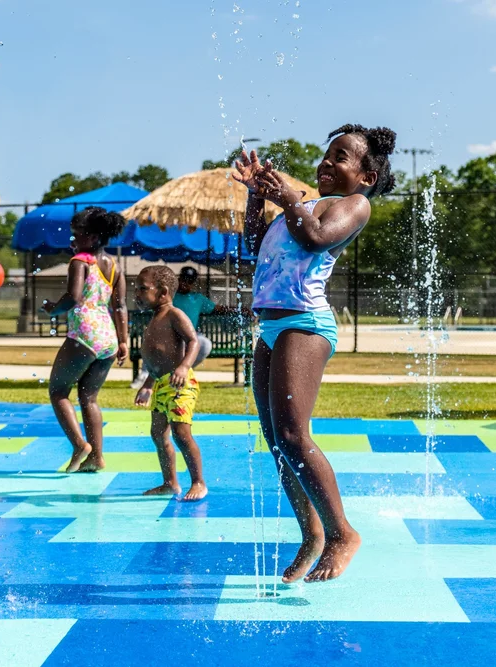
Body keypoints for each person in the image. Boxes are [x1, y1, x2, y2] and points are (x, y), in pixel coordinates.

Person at [234, 124, 396, 583]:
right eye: (327, 155)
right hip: (272, 326)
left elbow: (317, 239)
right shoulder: (299, 205)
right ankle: (312, 534)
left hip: (305, 322)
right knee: (278, 444)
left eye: (340, 157)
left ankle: (343, 533)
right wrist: (255, 197)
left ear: (366, 176)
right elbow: (253, 247)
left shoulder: (353, 206)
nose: (327, 162)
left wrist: (286, 198)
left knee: (292, 433)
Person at [42, 207, 128, 473]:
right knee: (89, 397)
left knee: (57, 391)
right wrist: (123, 341)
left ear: (91, 237)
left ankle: (80, 445)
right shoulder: (114, 267)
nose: (73, 240)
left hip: (85, 334)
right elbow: (121, 306)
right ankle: (97, 457)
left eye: (76, 235)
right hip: (109, 338)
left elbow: (74, 297)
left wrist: (52, 308)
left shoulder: (80, 261)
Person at [133, 265, 208, 501]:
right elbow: (157, 360)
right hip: (161, 385)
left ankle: (198, 482)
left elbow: (193, 341)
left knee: (181, 433)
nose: (137, 293)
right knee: (158, 433)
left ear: (163, 292)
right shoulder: (155, 318)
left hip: (180, 384)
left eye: (142, 289)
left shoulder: (174, 315)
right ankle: (170, 483)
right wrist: (147, 385)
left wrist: (184, 367)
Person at [130, 266, 247, 388]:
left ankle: (180, 371)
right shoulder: (169, 298)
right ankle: (146, 375)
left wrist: (241, 310)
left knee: (204, 343)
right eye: (184, 279)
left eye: (189, 281)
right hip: (168, 338)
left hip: (186, 337)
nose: (186, 283)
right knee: (156, 344)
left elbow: (219, 309)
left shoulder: (196, 299)